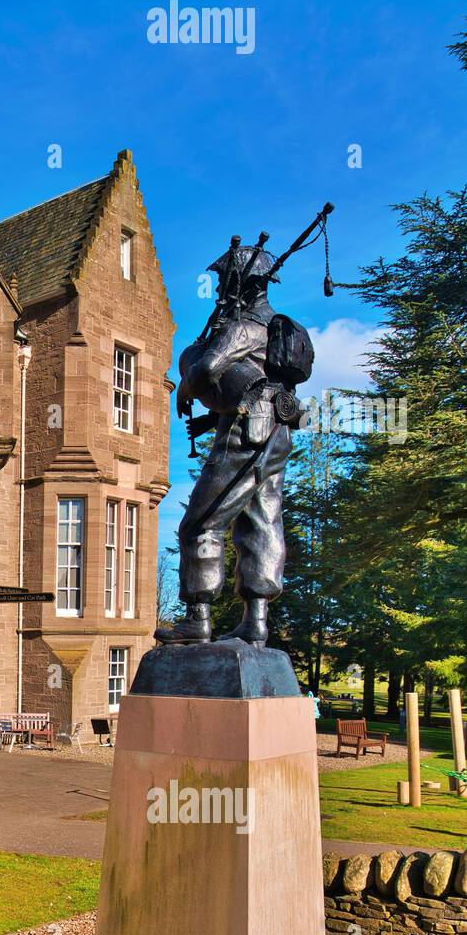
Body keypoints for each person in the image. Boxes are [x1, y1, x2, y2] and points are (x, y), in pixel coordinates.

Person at [156, 241, 314, 648]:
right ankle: (256, 621)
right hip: (277, 434)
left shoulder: (243, 327)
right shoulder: (274, 328)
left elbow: (209, 366)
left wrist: (186, 388)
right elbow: (259, 387)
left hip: (245, 433)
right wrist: (215, 415)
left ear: (238, 282)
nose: (221, 286)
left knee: (200, 522)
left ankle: (197, 618)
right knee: (261, 519)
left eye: (224, 279)